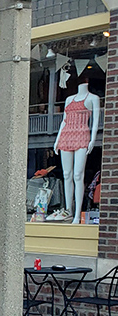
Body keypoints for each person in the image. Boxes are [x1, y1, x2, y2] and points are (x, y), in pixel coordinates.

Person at [52, 80, 100, 224]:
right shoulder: (69, 99)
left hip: (82, 134)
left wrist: (93, 139)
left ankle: (78, 214)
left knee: (78, 174)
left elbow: (96, 121)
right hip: (67, 134)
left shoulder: (93, 98)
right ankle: (68, 210)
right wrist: (57, 139)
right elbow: (64, 121)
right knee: (67, 174)